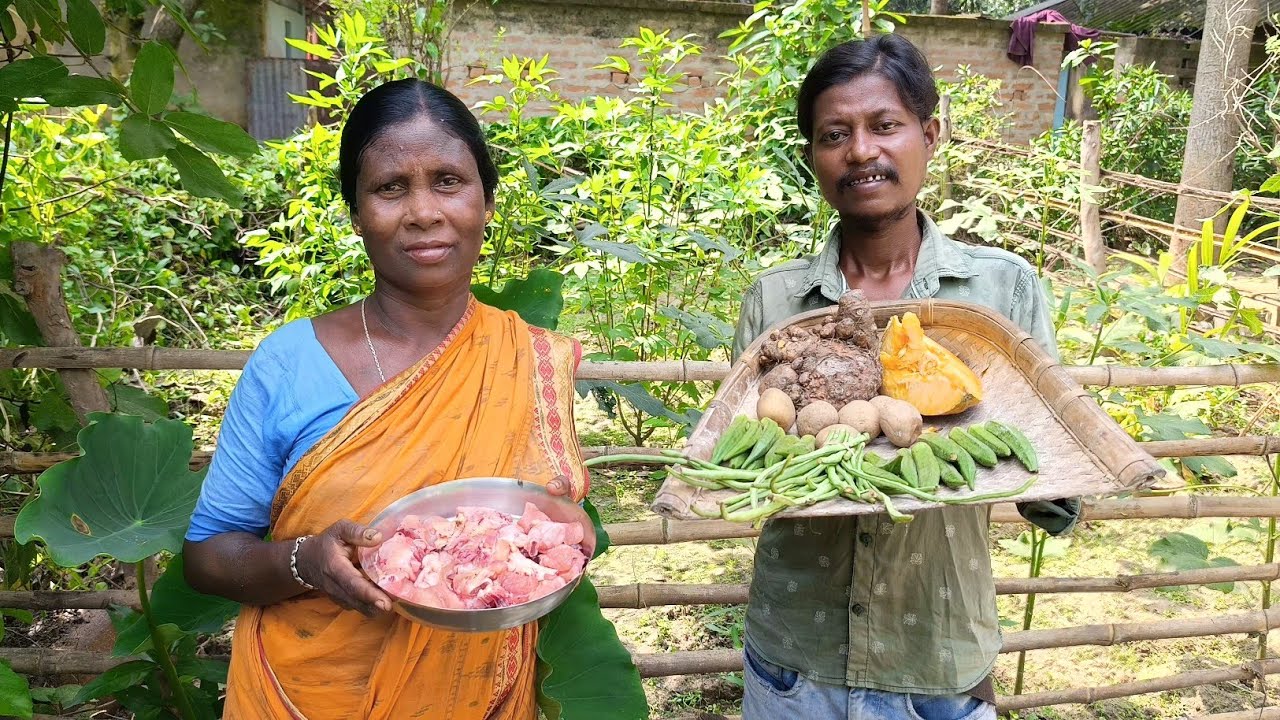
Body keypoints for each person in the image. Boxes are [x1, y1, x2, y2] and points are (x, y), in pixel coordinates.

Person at [182, 78, 589, 720]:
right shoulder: (288, 363)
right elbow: (207, 558)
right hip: (302, 697)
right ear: (356, 213)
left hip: (475, 696)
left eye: (449, 181)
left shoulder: (529, 359)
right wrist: (303, 562)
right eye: (390, 187)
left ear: (487, 202)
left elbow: (541, 526)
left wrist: (555, 545)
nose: (423, 211)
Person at [731, 35, 1080, 720]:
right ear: (812, 158)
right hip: (794, 660)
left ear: (930, 134)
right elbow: (746, 454)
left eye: (884, 126)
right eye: (835, 134)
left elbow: (1050, 470)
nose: (861, 151)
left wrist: (1057, 465)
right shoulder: (773, 302)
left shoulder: (998, 291)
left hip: (938, 661)